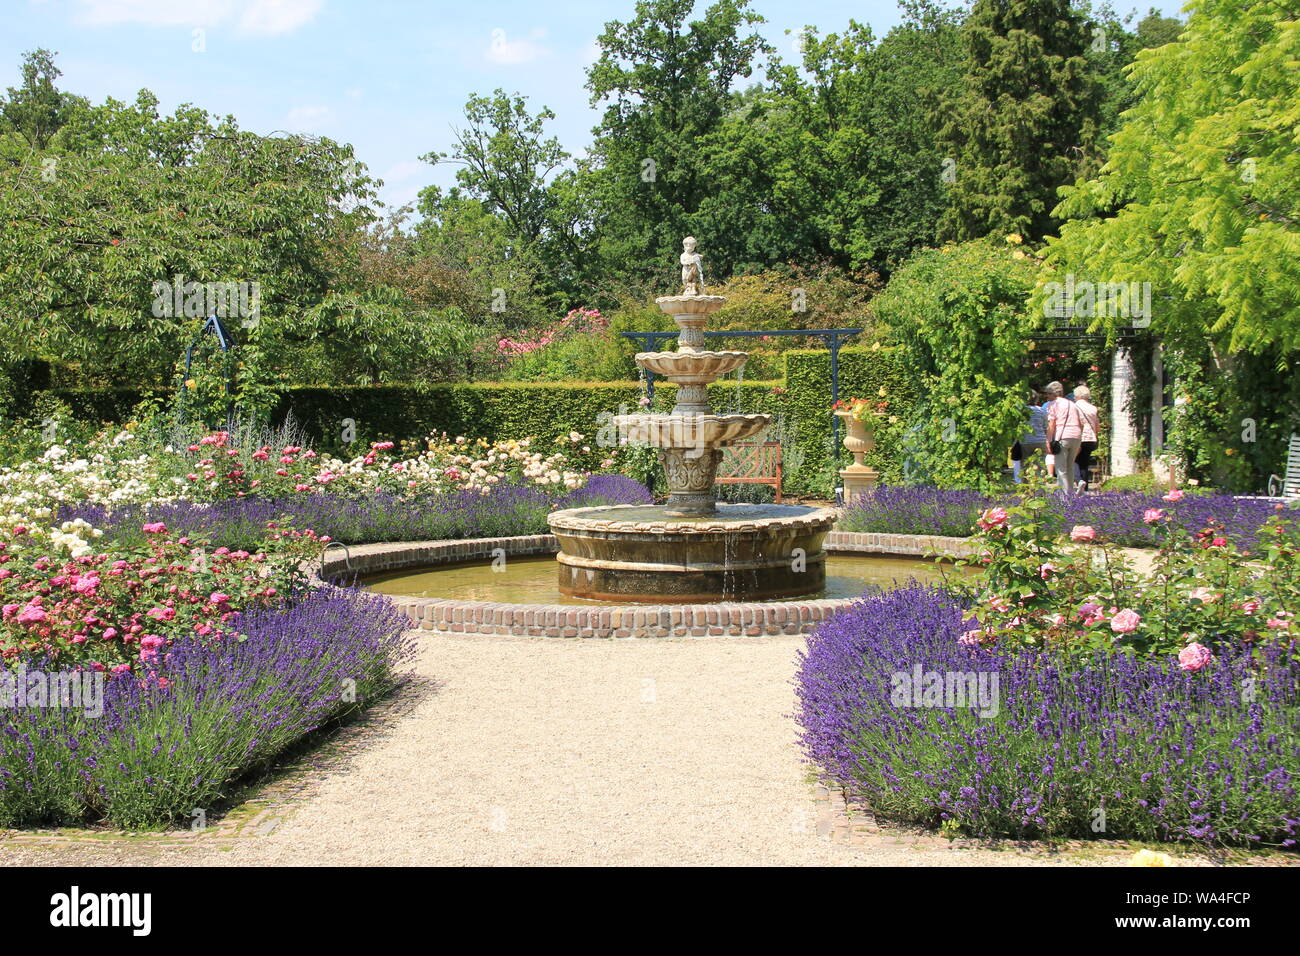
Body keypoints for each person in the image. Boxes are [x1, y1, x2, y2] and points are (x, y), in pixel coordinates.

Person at [1044, 381, 1084, 494]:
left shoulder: (1053, 404)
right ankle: (1071, 491)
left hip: (1062, 437)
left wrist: (1048, 440)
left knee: (1061, 467)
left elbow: (1052, 424)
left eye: (1048, 393)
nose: (1047, 396)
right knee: (1070, 466)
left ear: (1054, 393)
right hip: (1076, 436)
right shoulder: (1072, 404)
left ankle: (1064, 495)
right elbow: (1081, 422)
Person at [1011, 391, 1049, 483]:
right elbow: (1045, 426)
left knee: (1024, 466)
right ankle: (1040, 490)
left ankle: (1027, 490)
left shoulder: (1021, 410)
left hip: (1025, 441)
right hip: (1040, 441)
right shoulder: (1042, 410)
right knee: (1040, 466)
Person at [1073, 383, 1101, 492]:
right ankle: (1085, 487)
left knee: (1073, 461)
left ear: (1077, 395)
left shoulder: (1075, 407)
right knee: (1084, 462)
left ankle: (1079, 482)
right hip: (1091, 438)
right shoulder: (1093, 408)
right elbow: (1097, 427)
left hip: (1079, 438)